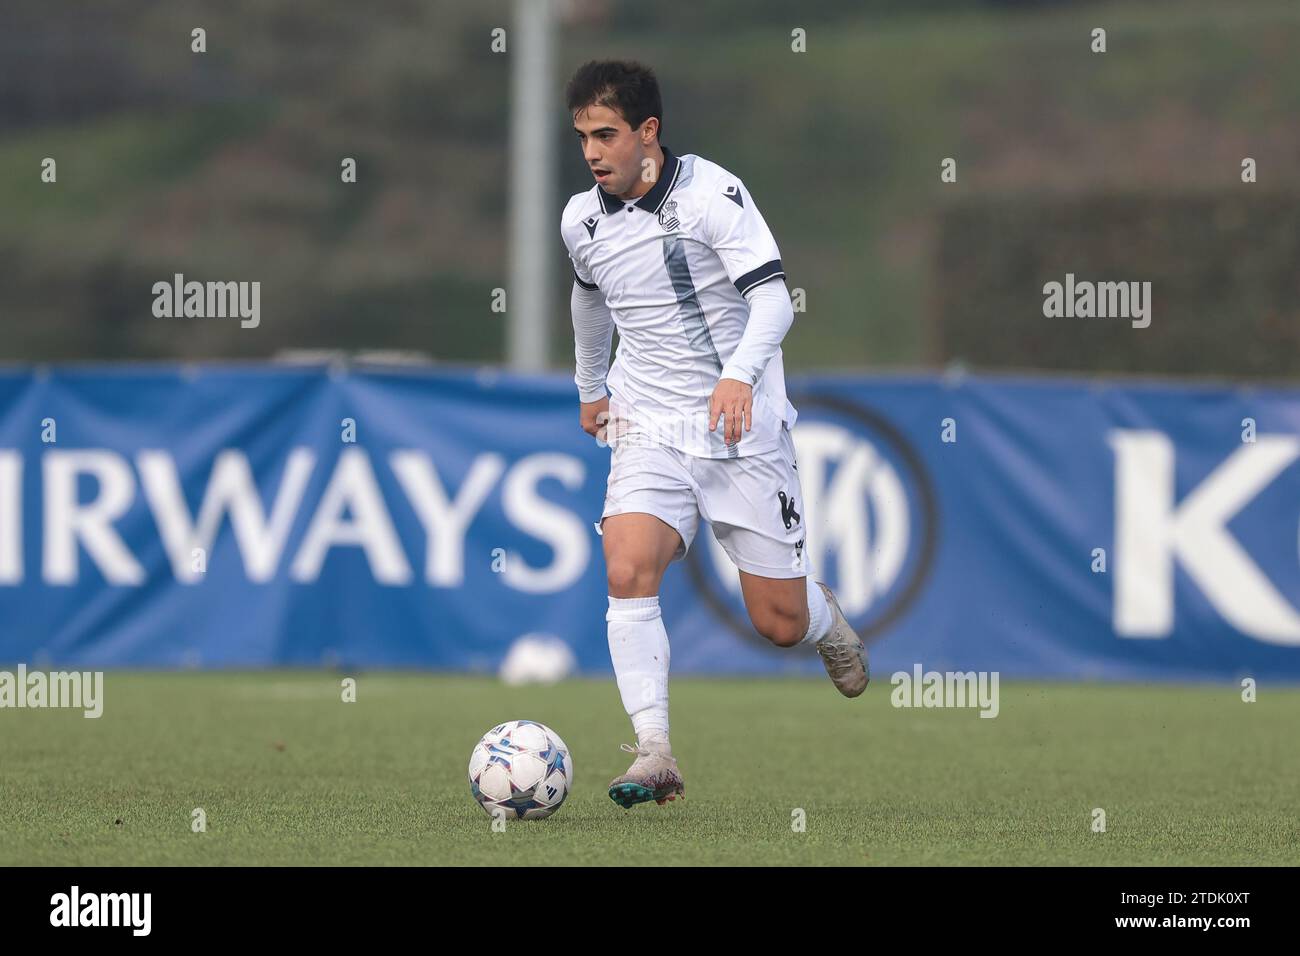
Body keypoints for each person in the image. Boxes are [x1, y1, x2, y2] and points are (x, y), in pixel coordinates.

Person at [560, 60, 869, 809]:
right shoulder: (581, 220)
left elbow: (775, 302)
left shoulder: (712, 195)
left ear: (648, 132)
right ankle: (655, 751)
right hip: (647, 423)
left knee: (778, 623)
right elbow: (589, 298)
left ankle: (823, 617)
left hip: (739, 429)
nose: (593, 152)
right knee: (626, 566)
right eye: (583, 138)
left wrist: (738, 376)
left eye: (607, 135)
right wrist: (591, 384)